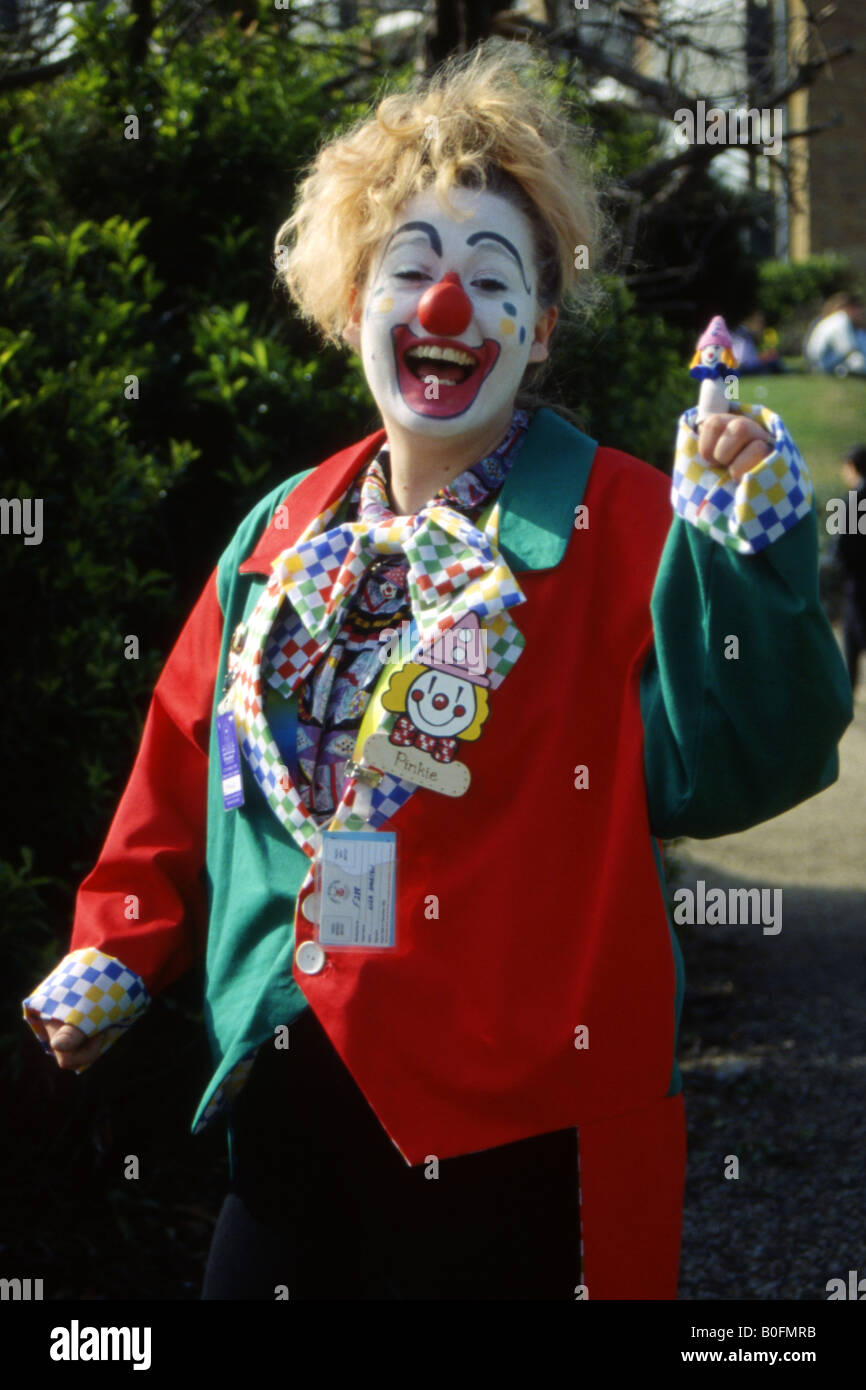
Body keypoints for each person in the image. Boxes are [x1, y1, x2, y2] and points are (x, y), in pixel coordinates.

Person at [22, 45, 852, 1301]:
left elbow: (744, 756)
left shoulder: (624, 518)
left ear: (540, 325)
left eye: (487, 278)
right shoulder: (280, 532)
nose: (444, 307)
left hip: (518, 1137)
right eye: (409, 270)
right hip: (289, 1108)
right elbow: (176, 785)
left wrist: (739, 542)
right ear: (352, 300)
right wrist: (88, 994)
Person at [835, 444, 866, 691]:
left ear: (853, 467)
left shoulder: (854, 500)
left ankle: (848, 691)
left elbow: (843, 548)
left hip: (859, 582)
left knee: (854, 636)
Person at [804, 293, 866, 376]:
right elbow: (846, 348)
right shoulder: (841, 320)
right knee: (857, 359)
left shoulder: (836, 318)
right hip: (821, 362)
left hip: (818, 360)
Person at [730, 309, 784, 375]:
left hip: (743, 368)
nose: (761, 326)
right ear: (749, 321)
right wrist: (762, 358)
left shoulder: (746, 334)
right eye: (759, 322)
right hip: (742, 370)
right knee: (774, 363)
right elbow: (742, 361)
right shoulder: (742, 335)